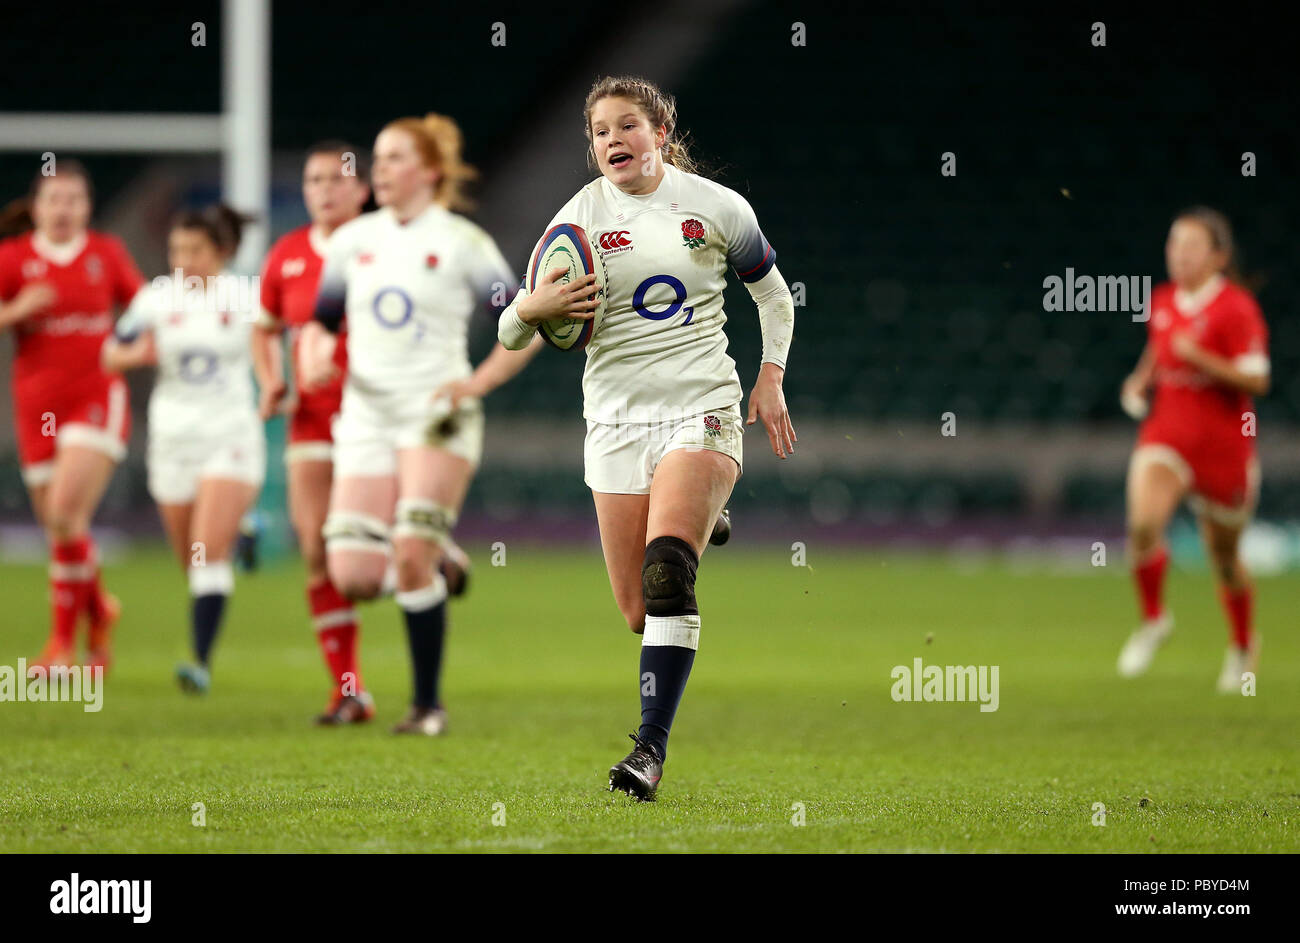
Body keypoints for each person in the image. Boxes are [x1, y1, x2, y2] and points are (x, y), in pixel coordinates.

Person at [497, 76, 796, 799]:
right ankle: (699, 514)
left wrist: (770, 375)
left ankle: (649, 750)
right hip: (616, 422)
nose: (613, 141)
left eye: (627, 126)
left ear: (660, 131)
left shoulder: (716, 207)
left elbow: (773, 293)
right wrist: (532, 305)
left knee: (668, 573)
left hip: (703, 404)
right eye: (600, 132)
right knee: (638, 610)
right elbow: (510, 331)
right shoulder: (577, 220)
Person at [298, 113, 543, 735]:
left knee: (407, 555)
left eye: (394, 158)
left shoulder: (464, 243)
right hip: (366, 415)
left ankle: (427, 706)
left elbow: (524, 324)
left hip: (436, 415)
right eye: (377, 159)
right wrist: (316, 354)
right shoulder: (352, 242)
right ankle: (439, 560)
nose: (379, 170)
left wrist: (477, 382)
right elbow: (319, 325)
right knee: (350, 575)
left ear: (430, 171)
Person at [101, 205, 265, 694]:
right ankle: (242, 526)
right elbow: (109, 352)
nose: (185, 260)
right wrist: (137, 354)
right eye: (177, 250)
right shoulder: (156, 298)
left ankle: (200, 661)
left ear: (220, 252)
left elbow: (276, 338)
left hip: (229, 435)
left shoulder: (245, 297)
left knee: (207, 554)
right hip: (172, 439)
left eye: (195, 250)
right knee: (192, 560)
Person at [1117, 207, 1270, 692]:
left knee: (1224, 560)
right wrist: (1140, 382)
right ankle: (1154, 619)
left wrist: (1199, 357)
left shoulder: (1236, 307)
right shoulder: (1162, 299)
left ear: (1218, 256)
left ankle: (1244, 644)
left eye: (1190, 245)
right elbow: (1159, 350)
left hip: (1223, 449)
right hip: (1167, 436)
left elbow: (1258, 378)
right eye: (1172, 243)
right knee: (1143, 525)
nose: (1178, 254)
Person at [0, 161, 144, 674]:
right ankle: (100, 615)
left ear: (88, 206)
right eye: (53, 198)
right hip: (37, 408)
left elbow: (145, 308)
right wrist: (16, 312)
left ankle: (60, 648)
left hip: (96, 398)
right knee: (63, 528)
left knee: (64, 512)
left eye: (74, 199)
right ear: (36, 206)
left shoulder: (105, 254)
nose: (63, 209)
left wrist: (138, 345)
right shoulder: (14, 259)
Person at [252, 141, 378, 724]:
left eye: (336, 179)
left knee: (386, 548)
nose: (324, 189)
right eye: (314, 179)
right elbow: (264, 329)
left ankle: (434, 560)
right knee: (314, 551)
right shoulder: (288, 255)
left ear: (362, 189)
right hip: (310, 418)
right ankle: (347, 689)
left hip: (376, 417)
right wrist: (271, 379)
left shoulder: (383, 246)